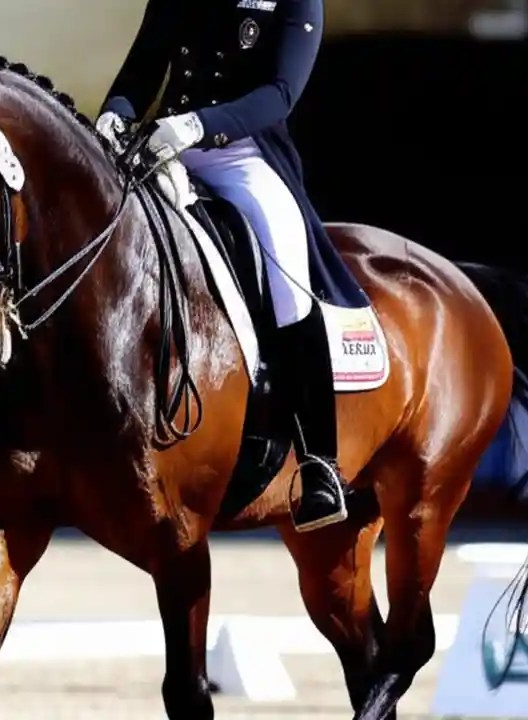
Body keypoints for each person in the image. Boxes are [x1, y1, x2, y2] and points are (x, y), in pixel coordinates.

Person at [94, 0, 347, 533]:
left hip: (243, 155)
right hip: (161, 147)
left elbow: (280, 95)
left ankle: (320, 461)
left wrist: (198, 124)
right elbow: (143, 69)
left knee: (287, 277)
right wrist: (115, 113)